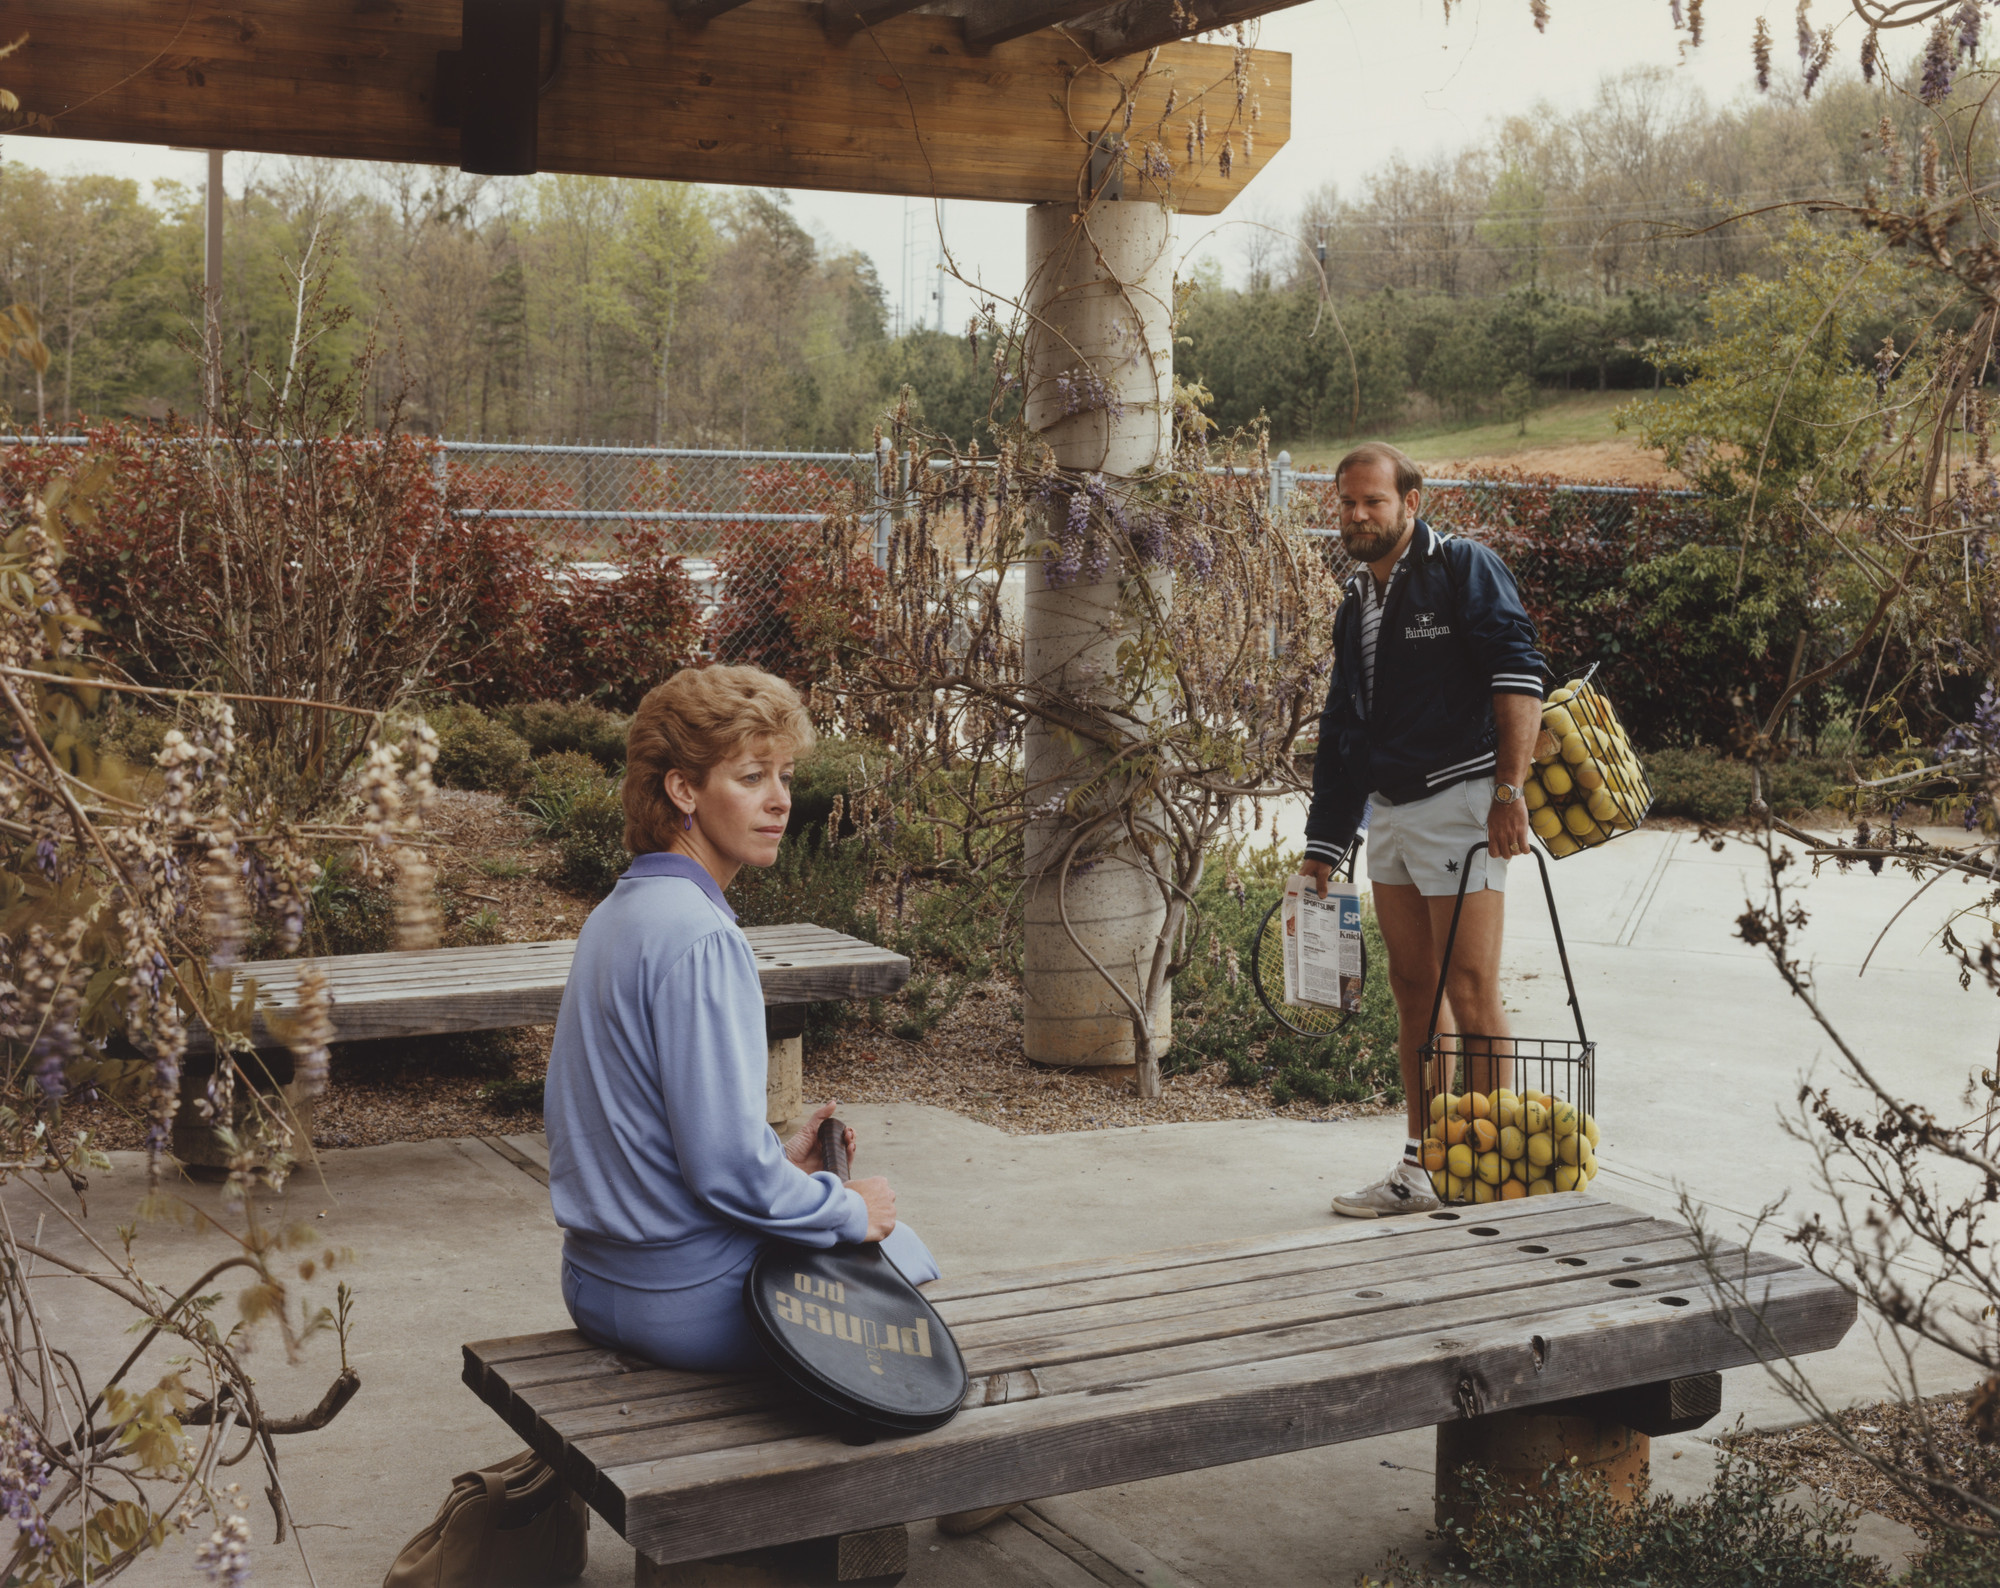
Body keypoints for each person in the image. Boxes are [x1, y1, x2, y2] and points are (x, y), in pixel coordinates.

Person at [544, 665, 939, 1372]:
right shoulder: (702, 936)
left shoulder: (615, 914)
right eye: (752, 777)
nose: (780, 800)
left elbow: (650, 1138)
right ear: (683, 789)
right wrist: (847, 1209)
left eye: (784, 776)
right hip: (687, 1299)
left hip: (594, 1282)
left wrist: (783, 1164)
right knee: (901, 1251)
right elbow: (726, 1172)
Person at [1301, 444, 1547, 1219]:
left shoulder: (1462, 567)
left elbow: (1519, 675)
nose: (1357, 516)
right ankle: (1423, 1165)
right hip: (1391, 811)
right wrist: (1324, 842)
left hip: (1463, 801)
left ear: (1412, 501)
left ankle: (1491, 1172)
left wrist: (1509, 791)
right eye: (1347, 503)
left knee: (1468, 988)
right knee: (1413, 988)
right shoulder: (1356, 599)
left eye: (1372, 501)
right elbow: (1343, 726)